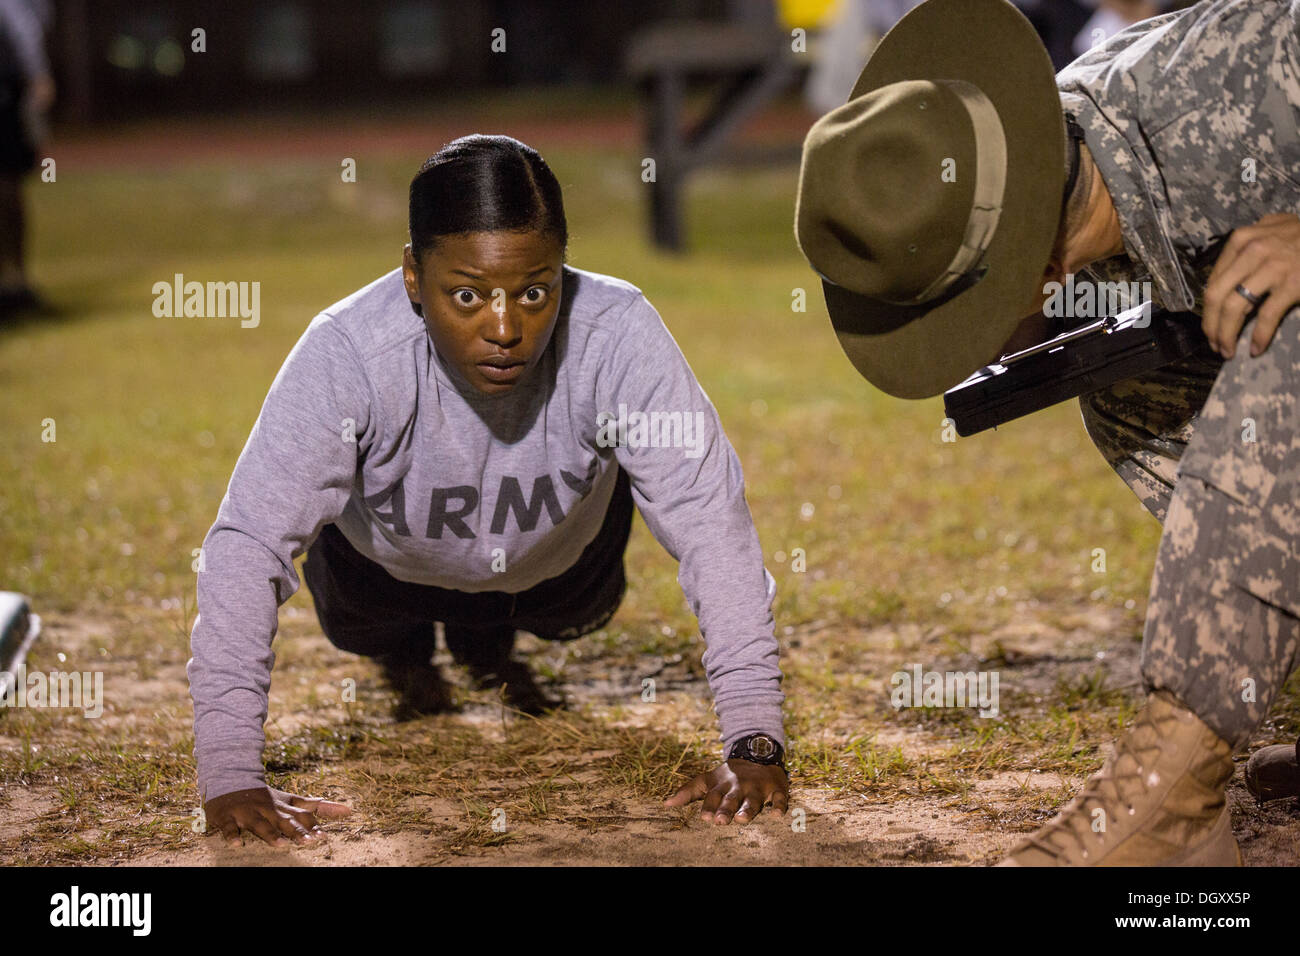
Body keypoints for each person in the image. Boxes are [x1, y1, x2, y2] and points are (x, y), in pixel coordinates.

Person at [794, 0, 1300, 865]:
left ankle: (1172, 800)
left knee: (1278, 339)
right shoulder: (1067, 152)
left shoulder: (1231, 75)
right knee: (1132, 383)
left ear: (1040, 269)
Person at [188, 135, 789, 847]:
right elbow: (247, 545)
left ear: (564, 268)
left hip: (559, 579)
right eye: (467, 294)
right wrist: (229, 775)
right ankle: (419, 638)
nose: (505, 329)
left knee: (544, 615)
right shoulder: (348, 350)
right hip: (378, 580)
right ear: (414, 274)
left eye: (535, 291)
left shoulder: (618, 331)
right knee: (377, 640)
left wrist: (755, 742)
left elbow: (709, 522)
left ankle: (487, 628)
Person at [0, 0, 52, 317]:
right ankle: (14, 281)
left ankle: (14, 281)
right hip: (6, 90)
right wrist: (38, 73)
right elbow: (23, 26)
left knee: (10, 183)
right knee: (8, 182)